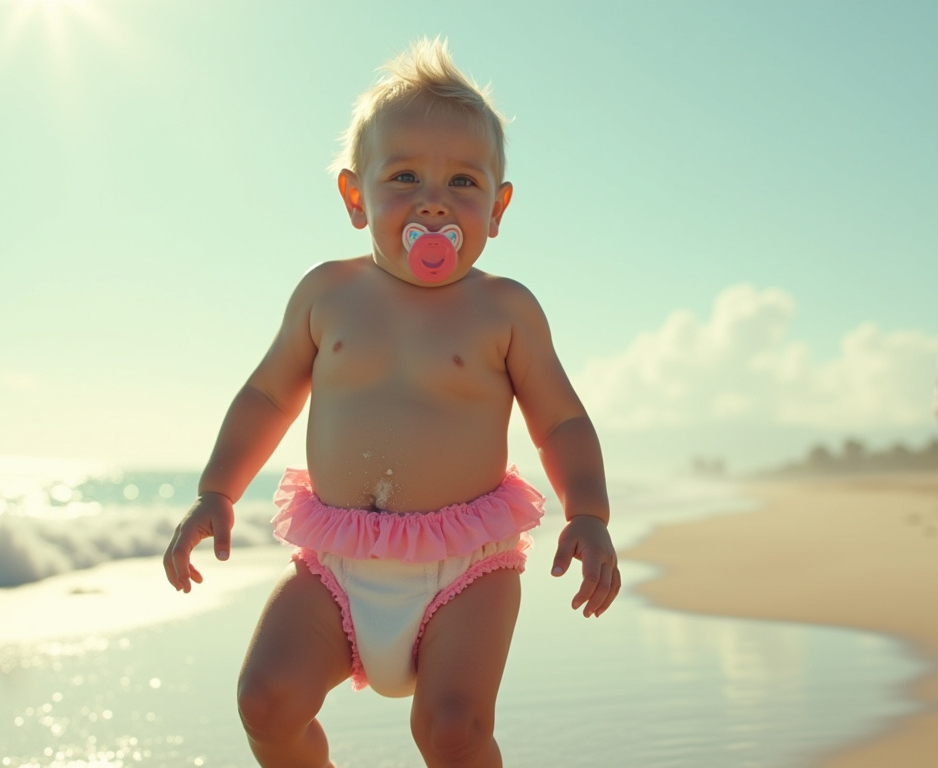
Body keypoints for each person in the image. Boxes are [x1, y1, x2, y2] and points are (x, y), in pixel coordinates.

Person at [162, 38, 620, 766]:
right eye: (404, 175)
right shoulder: (327, 295)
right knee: (265, 699)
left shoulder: (504, 310)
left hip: (468, 566)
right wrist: (216, 491)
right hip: (337, 563)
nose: (434, 200)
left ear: (497, 209)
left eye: (464, 182)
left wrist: (588, 512)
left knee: (451, 731)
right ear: (355, 197)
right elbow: (265, 393)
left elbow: (561, 418)